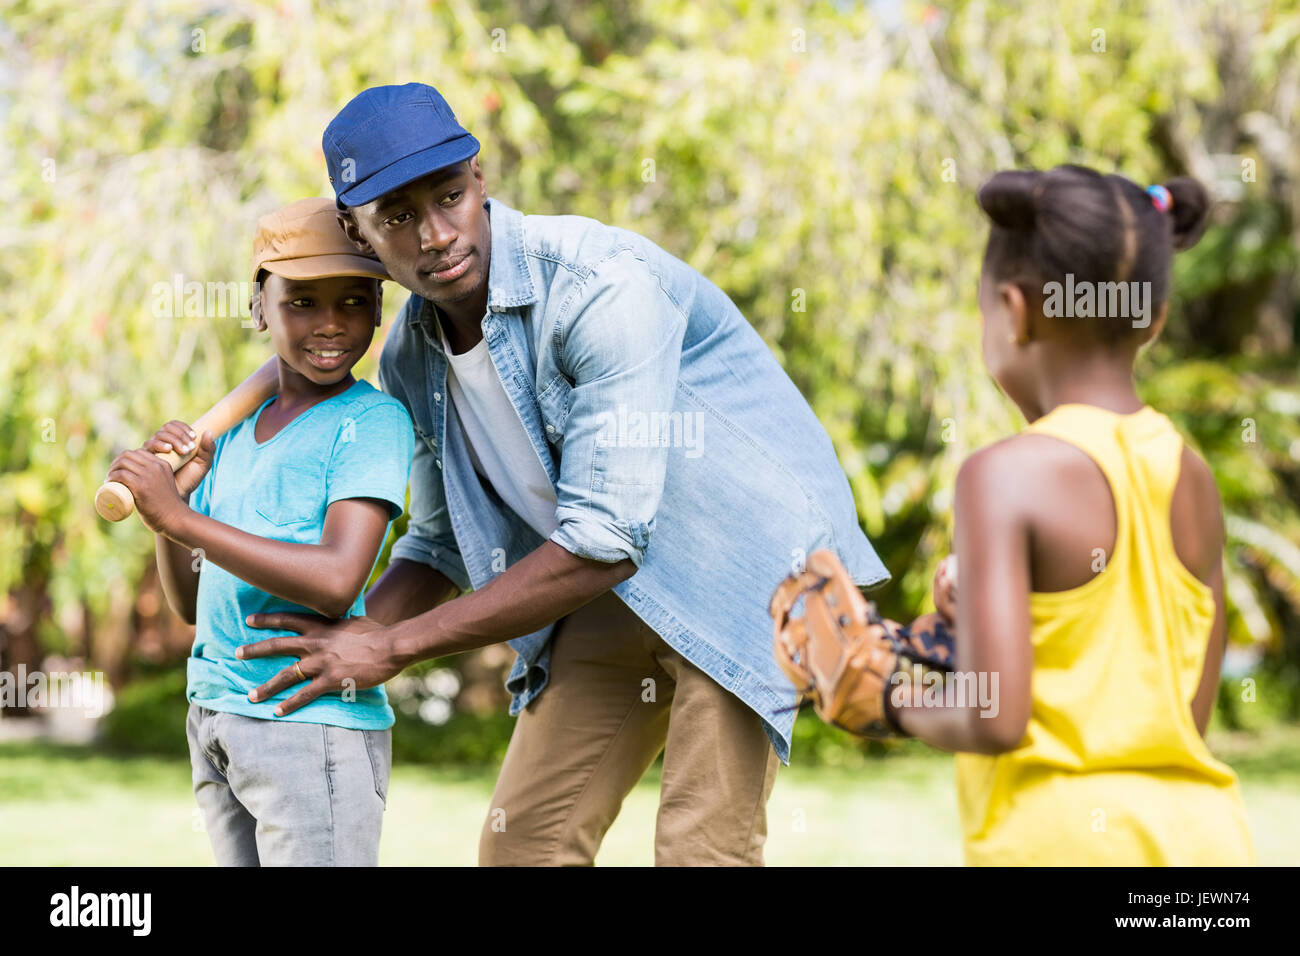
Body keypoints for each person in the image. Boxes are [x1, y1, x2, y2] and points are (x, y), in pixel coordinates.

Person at [236, 82, 890, 866]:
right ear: (358, 230)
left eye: (449, 197)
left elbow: (605, 539)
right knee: (522, 849)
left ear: (480, 176)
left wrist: (394, 647)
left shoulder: (600, 286)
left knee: (700, 850)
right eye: (398, 217)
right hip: (610, 589)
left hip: (741, 569)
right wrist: (335, 646)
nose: (436, 235)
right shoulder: (411, 354)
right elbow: (438, 544)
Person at [890, 164, 1255, 865]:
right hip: (1208, 850)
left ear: (1013, 311)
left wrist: (881, 694)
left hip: (1061, 845)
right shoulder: (1192, 475)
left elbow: (995, 719)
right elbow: (1184, 714)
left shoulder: (1001, 475)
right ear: (1155, 318)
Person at [106, 198, 414, 865]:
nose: (330, 323)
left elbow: (337, 581)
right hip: (216, 716)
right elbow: (191, 604)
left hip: (309, 726)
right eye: (301, 302)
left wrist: (182, 518)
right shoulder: (234, 433)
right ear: (259, 309)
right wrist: (173, 513)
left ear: (377, 310)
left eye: (354, 301)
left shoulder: (371, 423)